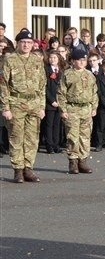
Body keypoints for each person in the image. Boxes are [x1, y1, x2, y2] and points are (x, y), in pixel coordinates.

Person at [1, 29, 47, 182]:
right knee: (16, 137)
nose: (26, 45)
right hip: (16, 103)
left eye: (29, 42)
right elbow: (4, 85)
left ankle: (28, 168)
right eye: (23, 42)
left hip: (34, 103)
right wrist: (5, 108)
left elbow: (42, 85)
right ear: (17, 43)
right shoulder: (10, 60)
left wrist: (41, 106)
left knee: (32, 138)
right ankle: (18, 170)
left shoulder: (36, 61)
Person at [58, 47, 98, 174]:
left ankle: (83, 161)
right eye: (79, 60)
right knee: (73, 136)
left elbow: (94, 92)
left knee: (85, 137)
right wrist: (63, 109)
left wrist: (94, 107)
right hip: (72, 108)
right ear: (73, 61)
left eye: (83, 60)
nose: (82, 62)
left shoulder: (89, 75)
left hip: (86, 108)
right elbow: (61, 93)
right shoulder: (67, 74)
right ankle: (73, 161)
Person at [43, 51, 64, 154]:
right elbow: (45, 87)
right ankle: (49, 145)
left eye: (55, 58)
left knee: (57, 124)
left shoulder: (61, 71)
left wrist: (60, 100)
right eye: (51, 58)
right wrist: (52, 100)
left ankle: (56, 144)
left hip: (59, 102)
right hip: (50, 102)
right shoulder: (46, 70)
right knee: (49, 124)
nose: (53, 59)